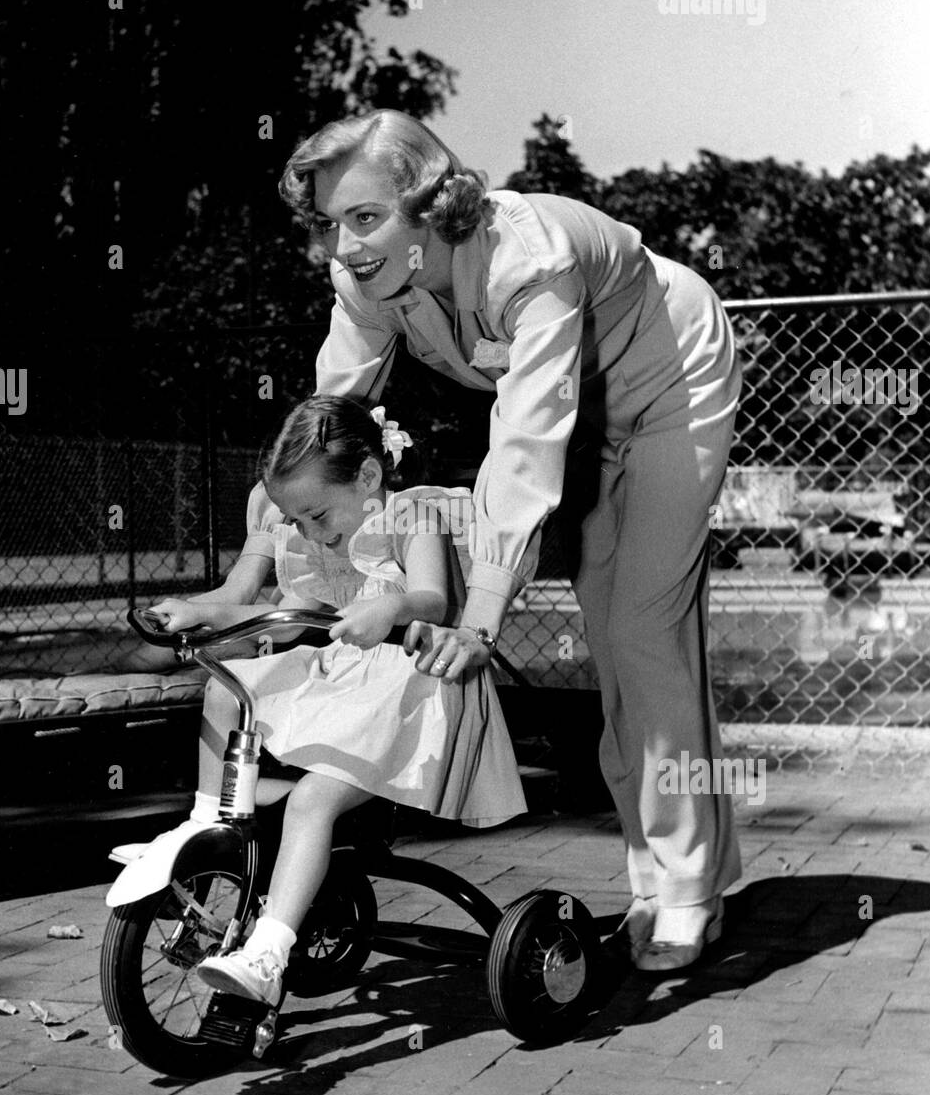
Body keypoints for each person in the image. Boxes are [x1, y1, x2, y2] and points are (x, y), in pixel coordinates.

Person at [251, 108, 744, 973]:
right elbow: (324, 430)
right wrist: (261, 568)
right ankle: (649, 871)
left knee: (643, 631)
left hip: (670, 382)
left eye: (364, 218)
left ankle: (690, 887)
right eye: (330, 224)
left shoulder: (530, 256)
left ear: (429, 203)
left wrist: (477, 620)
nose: (343, 246)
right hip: (580, 414)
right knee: (608, 639)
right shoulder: (362, 284)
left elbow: (523, 446)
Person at [149, 394, 527, 1005]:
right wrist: (200, 611)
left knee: (311, 803)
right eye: (295, 521)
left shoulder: (411, 517)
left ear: (370, 477)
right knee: (227, 689)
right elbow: (286, 613)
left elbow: (432, 598)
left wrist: (392, 605)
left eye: (316, 516)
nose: (307, 533)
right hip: (346, 678)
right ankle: (208, 830)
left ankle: (268, 953)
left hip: (410, 685)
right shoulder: (320, 537)